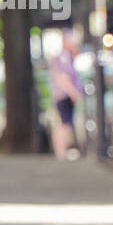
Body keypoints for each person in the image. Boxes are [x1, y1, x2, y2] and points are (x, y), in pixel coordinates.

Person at [49, 30, 84, 160]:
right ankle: (61, 152)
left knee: (65, 123)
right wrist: (73, 92)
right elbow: (62, 77)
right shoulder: (63, 57)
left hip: (63, 95)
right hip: (64, 95)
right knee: (64, 124)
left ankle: (62, 152)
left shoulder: (67, 57)